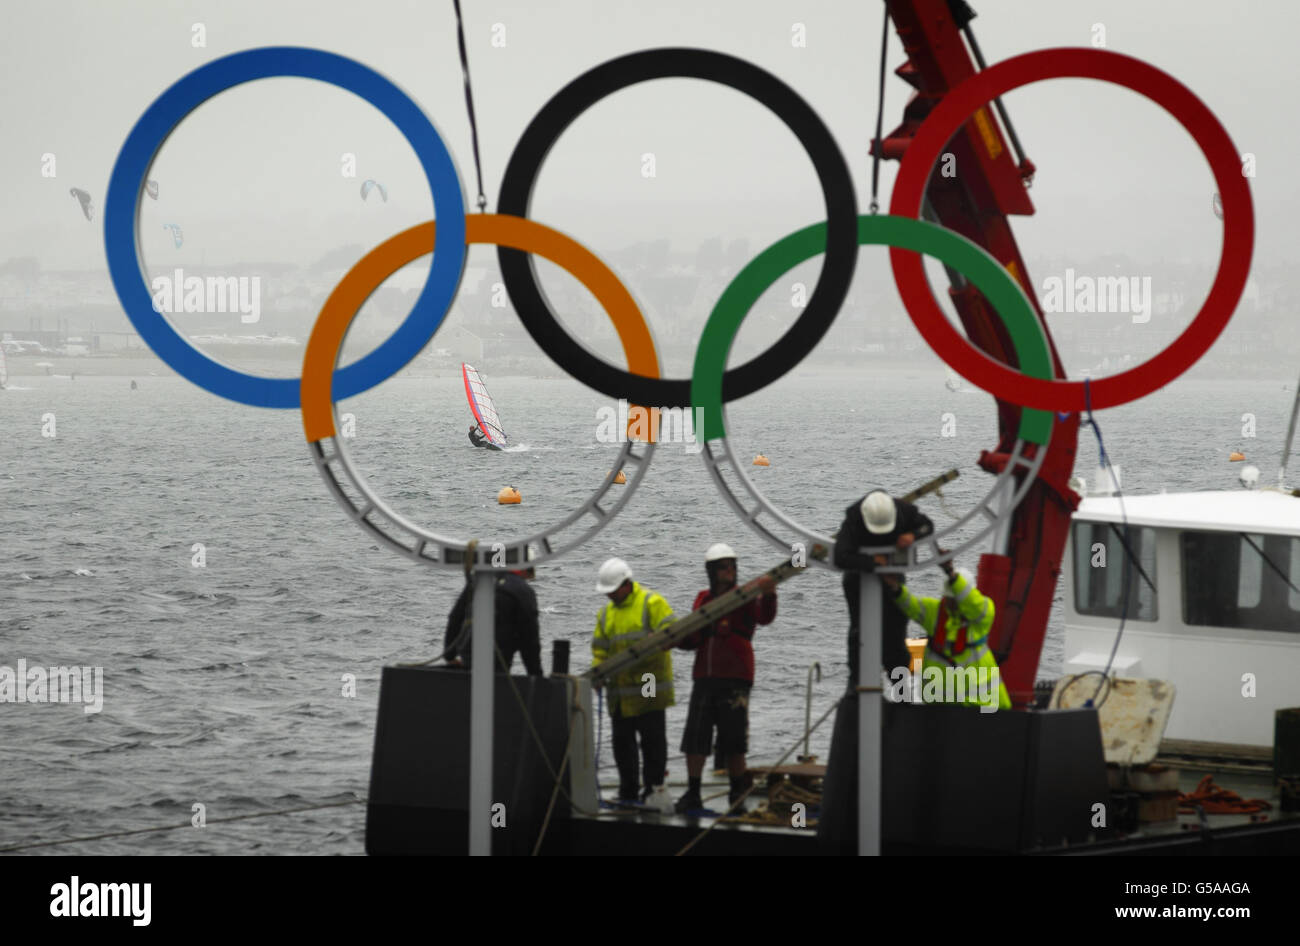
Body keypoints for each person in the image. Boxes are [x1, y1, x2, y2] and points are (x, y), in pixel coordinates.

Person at [674, 543, 777, 813]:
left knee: (734, 740)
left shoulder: (746, 596)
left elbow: (765, 617)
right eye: (723, 567)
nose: (729, 571)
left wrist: (769, 594)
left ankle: (737, 795)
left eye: (732, 566)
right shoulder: (703, 599)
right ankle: (693, 792)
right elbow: (693, 637)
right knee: (696, 738)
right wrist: (673, 640)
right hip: (705, 677)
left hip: (736, 678)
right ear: (712, 571)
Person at [591, 558, 676, 806]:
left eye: (612, 591)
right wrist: (598, 673)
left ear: (626, 584)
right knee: (622, 741)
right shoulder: (606, 614)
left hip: (648, 680)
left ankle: (653, 789)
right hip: (619, 687)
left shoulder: (651, 603)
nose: (609, 596)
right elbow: (600, 650)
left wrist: (658, 639)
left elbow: (672, 630)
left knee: (651, 738)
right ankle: (628, 790)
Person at [880, 558, 1011, 710]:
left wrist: (952, 575)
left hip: (982, 705)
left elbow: (974, 603)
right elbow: (912, 606)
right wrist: (896, 589)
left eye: (955, 598)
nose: (951, 603)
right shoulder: (935, 612)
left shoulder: (982, 615)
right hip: (942, 705)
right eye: (949, 598)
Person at [834, 489, 933, 681]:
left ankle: (901, 688)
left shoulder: (904, 511)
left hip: (892, 579)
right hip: (858, 578)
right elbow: (841, 557)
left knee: (895, 633)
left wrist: (913, 535)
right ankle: (857, 686)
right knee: (859, 633)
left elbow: (927, 526)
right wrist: (872, 562)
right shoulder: (854, 516)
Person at [444, 551, 541, 675]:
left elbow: (455, 618)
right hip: (497, 664)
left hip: (467, 658)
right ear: (526, 568)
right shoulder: (523, 590)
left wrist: (449, 656)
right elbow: (529, 639)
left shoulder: (479, 579)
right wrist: (535, 674)